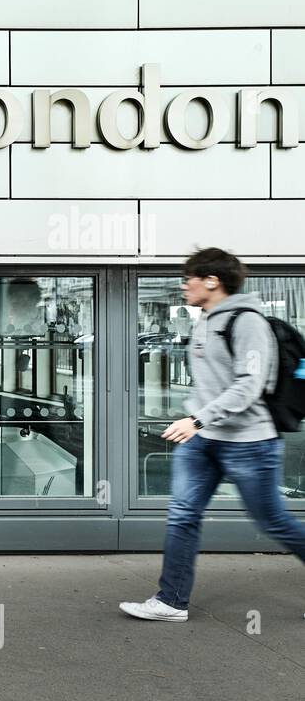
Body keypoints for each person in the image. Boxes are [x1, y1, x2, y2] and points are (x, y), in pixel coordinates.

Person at [120, 248, 305, 621]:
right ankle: (171, 601)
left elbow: (249, 385)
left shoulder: (247, 321)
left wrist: (198, 420)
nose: (183, 285)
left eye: (188, 278)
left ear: (211, 280)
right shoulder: (204, 318)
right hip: (205, 440)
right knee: (183, 515)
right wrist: (197, 419)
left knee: (272, 521)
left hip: (249, 443)